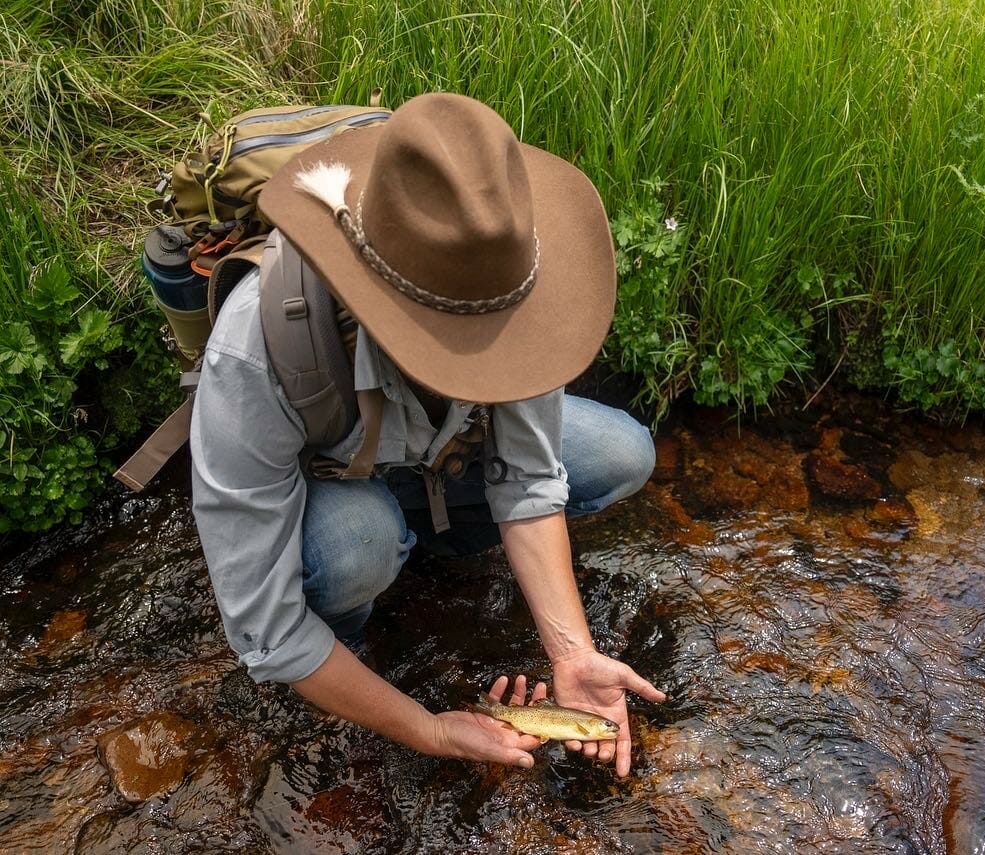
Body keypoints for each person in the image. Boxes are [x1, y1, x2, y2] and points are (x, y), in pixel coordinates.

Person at [189, 92, 664, 776]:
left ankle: (442, 547)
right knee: (358, 546)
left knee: (621, 454)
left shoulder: (501, 276)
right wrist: (427, 729)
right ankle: (353, 636)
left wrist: (570, 650)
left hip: (433, 457)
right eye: (455, 344)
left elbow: (528, 479)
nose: (490, 360)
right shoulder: (254, 348)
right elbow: (266, 630)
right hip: (330, 484)